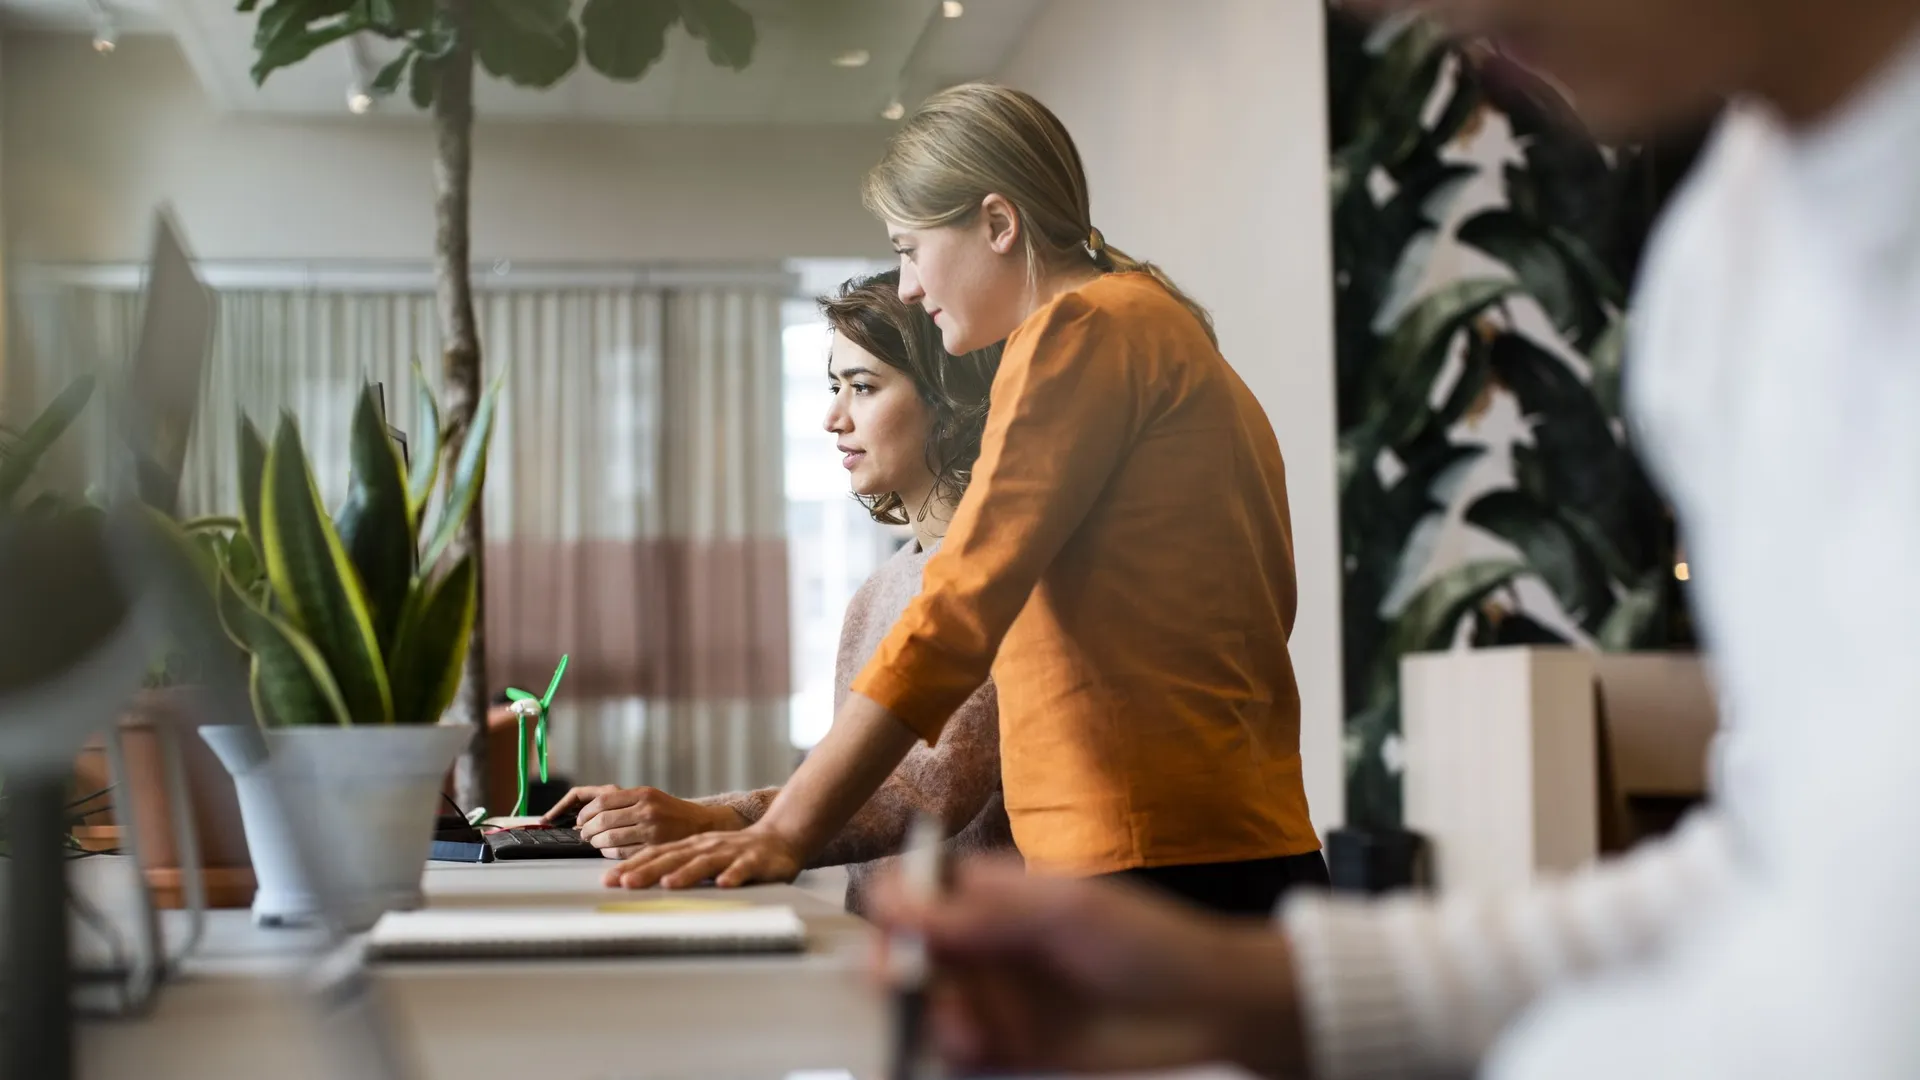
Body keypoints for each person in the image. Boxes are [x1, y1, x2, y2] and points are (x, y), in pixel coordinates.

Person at [870, 2, 1920, 1078]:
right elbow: (1789, 868)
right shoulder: (1727, 272)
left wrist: (792, 828)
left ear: (997, 222)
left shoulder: (1098, 330)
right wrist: (1258, 991)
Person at [608, 83, 1328, 917]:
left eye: (911, 250)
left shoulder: (1079, 331)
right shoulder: (1163, 329)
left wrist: (784, 833)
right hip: (1232, 846)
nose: (910, 286)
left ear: (997, 223)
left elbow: (958, 610)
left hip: (1154, 864)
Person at [542, 270, 1014, 915]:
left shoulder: (1001, 571)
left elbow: (925, 789)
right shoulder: (879, 590)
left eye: (863, 387)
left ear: (949, 401)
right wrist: (693, 815)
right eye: (834, 387)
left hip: (974, 953)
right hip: (880, 940)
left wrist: (718, 820)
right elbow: (854, 780)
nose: (833, 418)